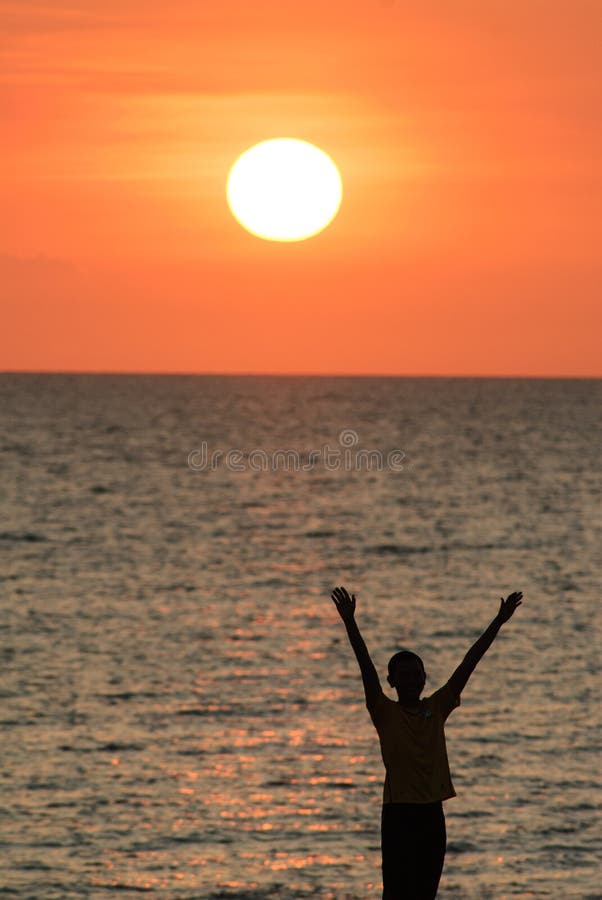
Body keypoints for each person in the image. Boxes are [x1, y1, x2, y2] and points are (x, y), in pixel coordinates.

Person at [331, 585, 523, 900]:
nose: (409, 680)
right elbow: (365, 665)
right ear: (391, 682)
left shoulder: (438, 706)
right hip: (398, 813)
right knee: (395, 892)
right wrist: (350, 622)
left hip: (431, 814)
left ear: (424, 678)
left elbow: (469, 663)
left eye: (414, 674)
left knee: (425, 893)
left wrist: (499, 621)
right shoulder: (384, 712)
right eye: (402, 675)